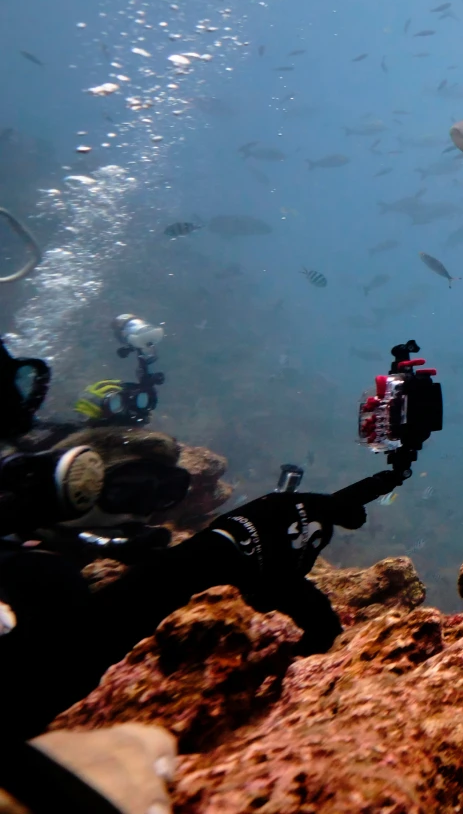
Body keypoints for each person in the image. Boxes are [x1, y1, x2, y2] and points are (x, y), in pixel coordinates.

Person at [0, 333, 434, 810]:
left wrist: (219, 551)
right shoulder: (40, 583)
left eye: (159, 492)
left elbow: (70, 644)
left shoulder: (47, 578)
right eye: (92, 484)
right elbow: (46, 673)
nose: (142, 510)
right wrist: (224, 554)